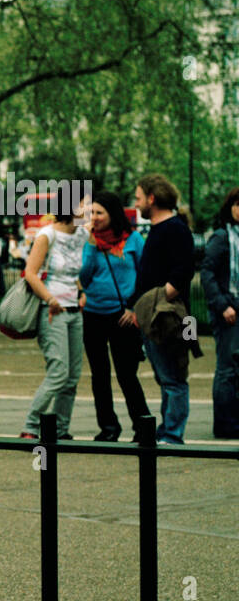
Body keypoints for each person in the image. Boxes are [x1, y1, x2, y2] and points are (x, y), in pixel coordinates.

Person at [78, 191, 149, 442]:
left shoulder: (133, 240)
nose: (94, 218)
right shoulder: (90, 241)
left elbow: (145, 276)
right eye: (91, 213)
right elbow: (84, 277)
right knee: (99, 374)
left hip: (123, 315)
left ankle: (142, 426)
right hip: (93, 314)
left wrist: (133, 308)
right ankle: (108, 427)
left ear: (113, 214)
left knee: (126, 374)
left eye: (99, 213)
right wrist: (88, 244)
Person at [130, 173, 196, 445]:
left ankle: (172, 433)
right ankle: (168, 429)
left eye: (138, 197)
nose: (136, 203)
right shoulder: (163, 228)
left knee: (173, 376)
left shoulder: (174, 229)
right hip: (160, 315)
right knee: (166, 376)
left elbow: (183, 272)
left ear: (152, 198)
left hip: (168, 317)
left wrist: (152, 303)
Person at [19, 206, 85, 440]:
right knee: (59, 371)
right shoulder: (47, 234)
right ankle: (31, 426)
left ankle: (60, 428)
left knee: (73, 375)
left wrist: (81, 291)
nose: (88, 209)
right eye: (84, 204)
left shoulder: (81, 235)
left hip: (75, 311)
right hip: (52, 311)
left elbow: (73, 271)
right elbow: (30, 273)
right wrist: (49, 298)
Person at [200, 185, 239, 438]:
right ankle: (224, 425)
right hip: (228, 309)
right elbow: (207, 272)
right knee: (227, 368)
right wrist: (222, 304)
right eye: (237, 205)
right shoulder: (222, 237)